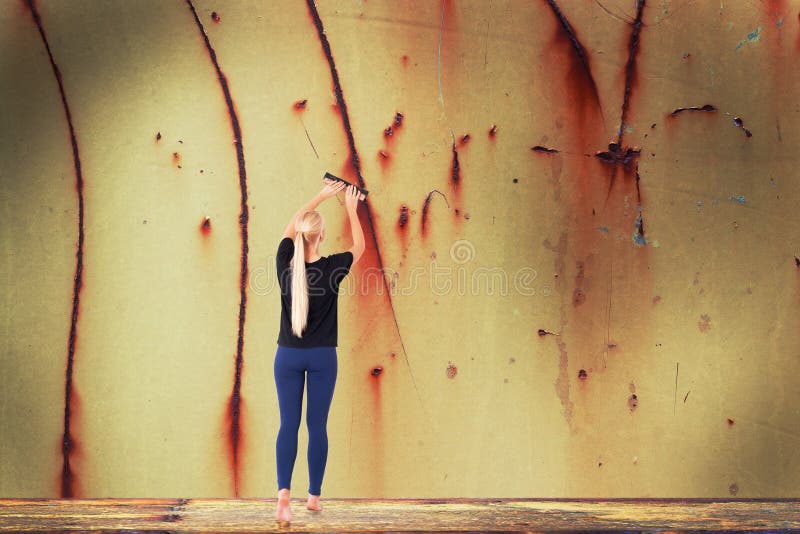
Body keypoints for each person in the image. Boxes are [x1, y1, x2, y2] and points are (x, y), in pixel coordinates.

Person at [273, 180, 365, 522]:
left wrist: (321, 197)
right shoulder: (333, 268)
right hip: (323, 357)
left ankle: (284, 495)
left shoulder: (284, 264)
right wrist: (351, 209)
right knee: (317, 426)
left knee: (288, 425)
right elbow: (360, 246)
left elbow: (290, 227)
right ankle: (313, 497)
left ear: (298, 235)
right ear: (322, 237)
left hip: (288, 356)